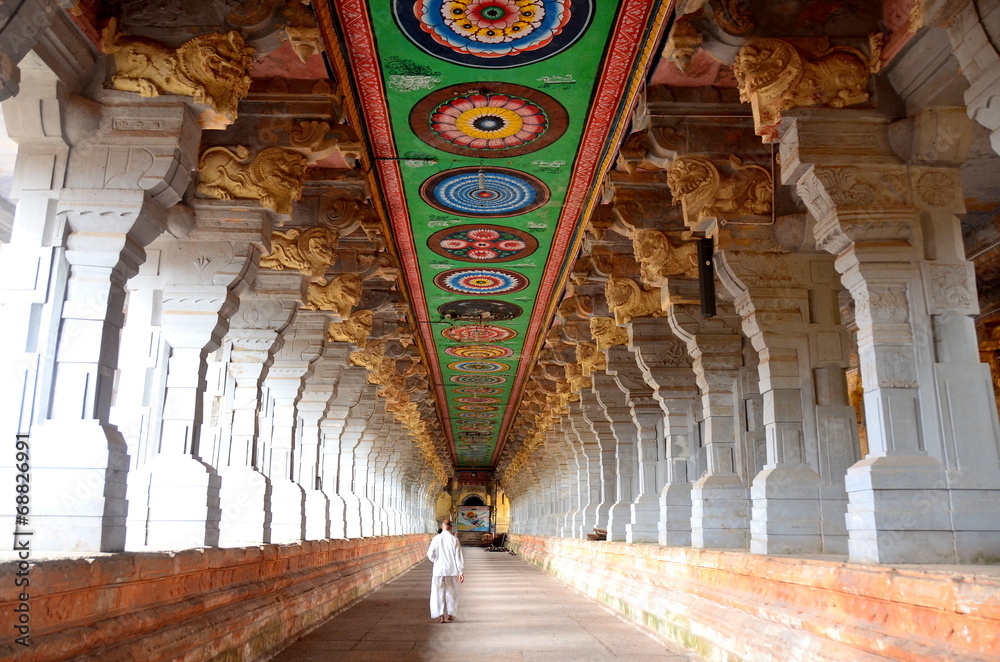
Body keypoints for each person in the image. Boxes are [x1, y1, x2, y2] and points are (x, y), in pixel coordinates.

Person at [427, 518, 464, 623]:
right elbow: (458, 557)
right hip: (452, 570)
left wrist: (437, 561)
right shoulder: (454, 540)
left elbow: (430, 554)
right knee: (451, 592)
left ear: (441, 526)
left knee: (438, 592)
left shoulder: (436, 539)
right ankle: (451, 614)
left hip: (438, 570)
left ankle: (440, 615)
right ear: (451, 527)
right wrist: (460, 572)